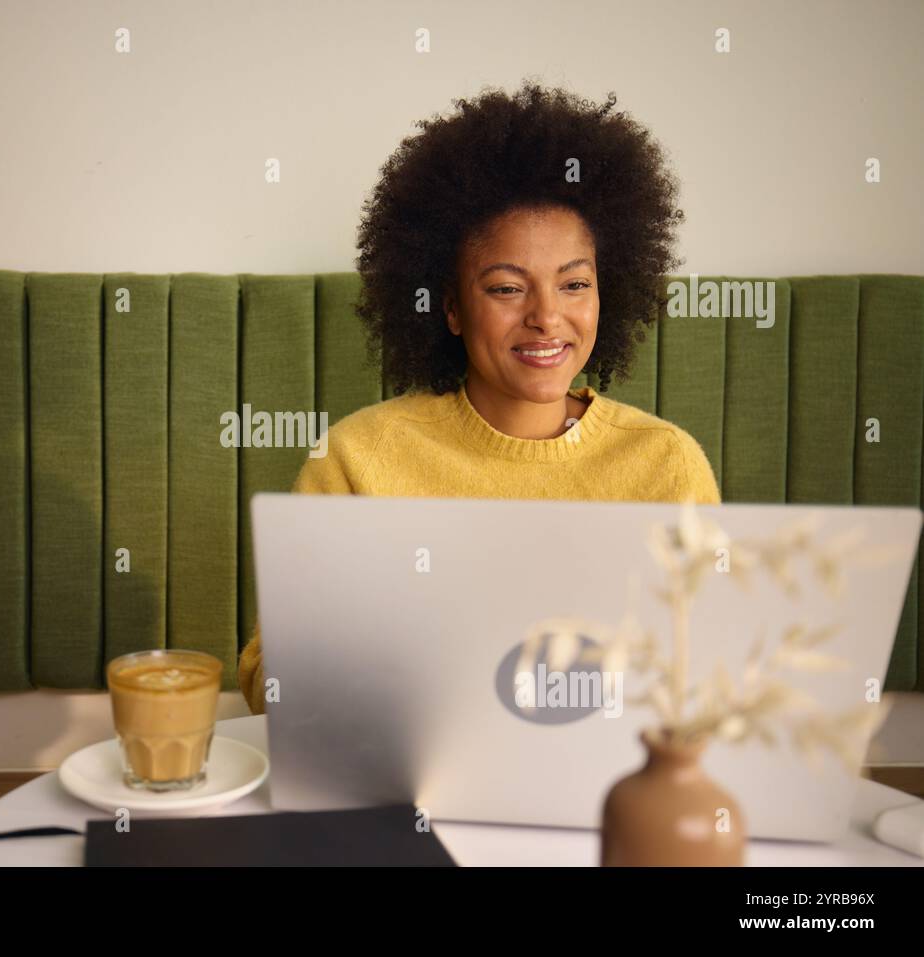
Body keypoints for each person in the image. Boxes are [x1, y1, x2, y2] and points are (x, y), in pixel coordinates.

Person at [238, 81, 720, 716]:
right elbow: (267, 680)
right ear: (452, 308)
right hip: (411, 780)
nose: (548, 318)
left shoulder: (666, 465)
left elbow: (711, 672)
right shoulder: (359, 459)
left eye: (574, 283)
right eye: (506, 289)